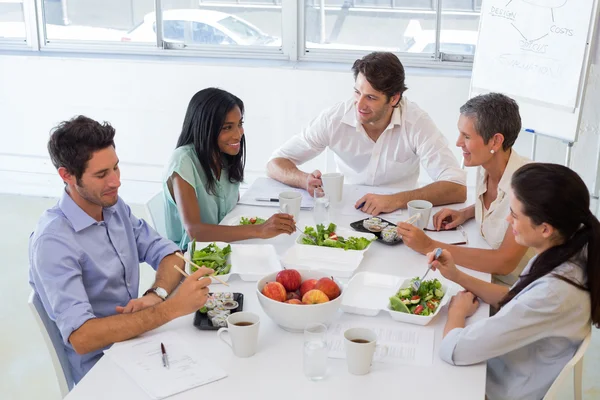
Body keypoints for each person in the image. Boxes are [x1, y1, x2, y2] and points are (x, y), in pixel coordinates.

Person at [29, 116, 214, 383]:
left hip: (139, 345)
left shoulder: (113, 207)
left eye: (116, 168)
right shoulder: (53, 242)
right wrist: (170, 308)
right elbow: (82, 337)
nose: (115, 182)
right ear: (66, 175)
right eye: (102, 174)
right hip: (102, 374)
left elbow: (170, 255)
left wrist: (156, 295)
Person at [431, 163, 599, 400]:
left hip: (499, 387)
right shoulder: (569, 246)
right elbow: (516, 298)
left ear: (545, 229)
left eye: (514, 214)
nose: (508, 220)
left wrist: (457, 314)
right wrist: (457, 275)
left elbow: (454, 350)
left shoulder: (556, 290)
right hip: (515, 360)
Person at [266, 52, 466, 216]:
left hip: (398, 215)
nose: (359, 105)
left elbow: (457, 186)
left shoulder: (416, 122)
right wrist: (304, 180)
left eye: (371, 97)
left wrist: (395, 200)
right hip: (345, 211)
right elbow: (275, 163)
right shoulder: (334, 118)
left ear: (394, 99)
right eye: (357, 92)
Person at [397, 93, 534, 286]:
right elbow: (498, 208)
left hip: (516, 291)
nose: (458, 142)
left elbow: (504, 263)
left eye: (467, 136)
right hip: (488, 278)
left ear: (495, 141)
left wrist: (429, 245)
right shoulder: (485, 165)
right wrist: (467, 213)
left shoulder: (527, 188)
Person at [164, 88, 296, 250]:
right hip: (192, 256)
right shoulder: (183, 161)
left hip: (225, 247)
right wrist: (260, 229)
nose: (238, 134)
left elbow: (231, 212)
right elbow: (195, 232)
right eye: (227, 127)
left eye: (239, 124)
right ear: (205, 127)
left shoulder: (225, 156)